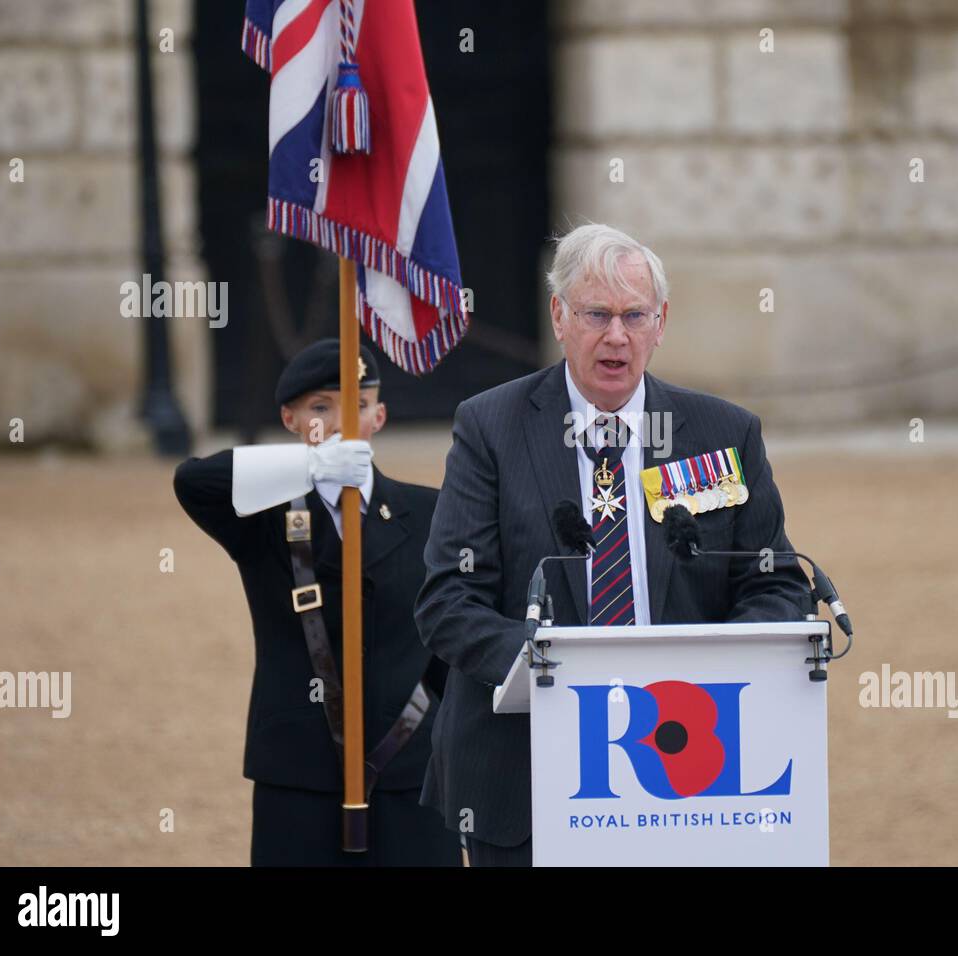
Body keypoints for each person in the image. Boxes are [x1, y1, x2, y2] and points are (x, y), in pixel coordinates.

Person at [415, 223, 811, 866]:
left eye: (635, 315)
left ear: (661, 323)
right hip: (530, 767)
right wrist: (564, 668)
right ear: (559, 316)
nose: (616, 336)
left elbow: (777, 585)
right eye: (596, 314)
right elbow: (448, 599)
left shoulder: (723, 434)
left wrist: (717, 664)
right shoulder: (490, 427)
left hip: (688, 762)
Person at [173, 338, 460, 866]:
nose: (340, 422)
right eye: (321, 408)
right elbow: (192, 480)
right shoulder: (262, 517)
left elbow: (447, 635)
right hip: (299, 771)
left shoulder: (431, 512)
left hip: (411, 768)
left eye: (356, 405)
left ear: (379, 415)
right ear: (290, 418)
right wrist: (308, 467)